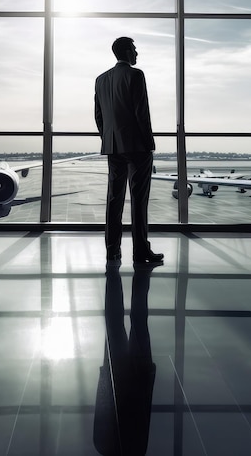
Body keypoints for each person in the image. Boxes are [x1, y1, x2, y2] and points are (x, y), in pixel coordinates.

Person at [94, 37, 163, 265]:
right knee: (138, 199)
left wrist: (108, 138)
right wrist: (149, 142)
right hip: (136, 146)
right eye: (134, 49)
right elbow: (141, 113)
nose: (137, 53)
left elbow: (99, 116)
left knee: (114, 199)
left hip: (113, 147)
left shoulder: (101, 80)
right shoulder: (136, 75)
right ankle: (141, 251)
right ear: (126, 51)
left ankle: (112, 249)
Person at [93, 265, 157, 455]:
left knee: (136, 323)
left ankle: (117, 269)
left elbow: (144, 412)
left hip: (136, 379)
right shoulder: (102, 445)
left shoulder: (136, 450)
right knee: (117, 326)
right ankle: (114, 272)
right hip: (120, 377)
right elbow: (102, 404)